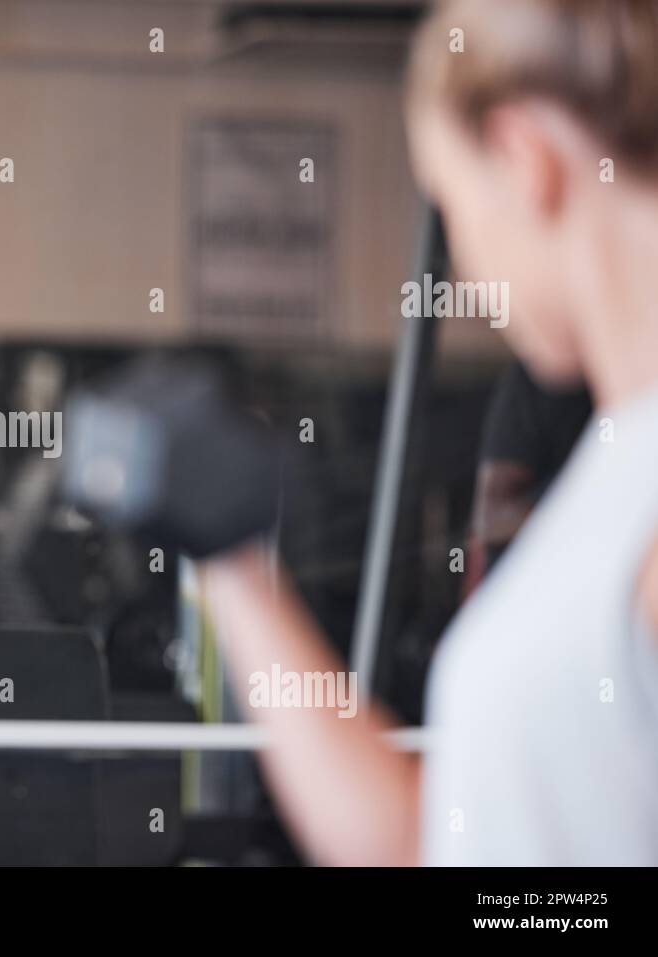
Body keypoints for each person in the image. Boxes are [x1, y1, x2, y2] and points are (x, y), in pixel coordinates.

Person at [200, 0, 658, 865]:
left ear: (526, 163)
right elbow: (438, 845)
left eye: (453, 205)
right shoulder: (617, 462)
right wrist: (232, 565)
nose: (473, 272)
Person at [462, 360, 592, 600]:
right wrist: (594, 518)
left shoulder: (637, 395)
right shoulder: (539, 380)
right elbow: (491, 519)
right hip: (531, 596)